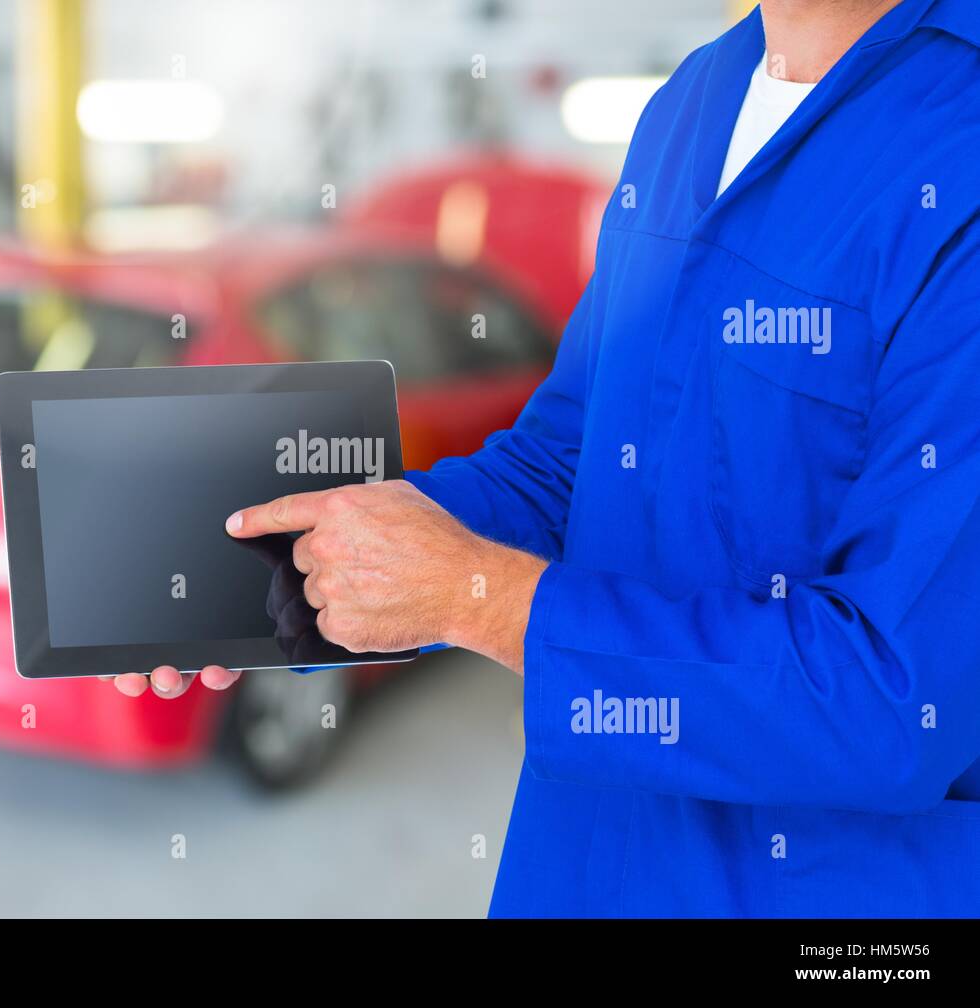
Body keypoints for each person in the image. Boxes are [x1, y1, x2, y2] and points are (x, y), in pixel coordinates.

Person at [113, 0, 980, 917]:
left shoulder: (956, 147)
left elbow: (894, 699)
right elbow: (567, 463)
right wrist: (283, 569)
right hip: (579, 867)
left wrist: (483, 598)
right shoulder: (692, 102)